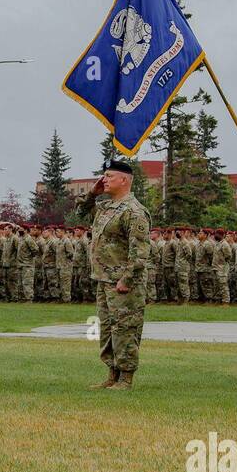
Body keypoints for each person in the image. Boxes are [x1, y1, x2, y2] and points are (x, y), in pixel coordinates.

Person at [78, 161, 150, 390]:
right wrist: (92, 193)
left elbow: (139, 253)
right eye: (103, 176)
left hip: (123, 282)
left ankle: (126, 378)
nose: (104, 179)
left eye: (109, 176)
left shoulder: (134, 211)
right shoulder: (105, 207)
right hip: (104, 279)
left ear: (124, 180)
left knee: (125, 328)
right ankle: (112, 375)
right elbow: (80, 212)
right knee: (108, 329)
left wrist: (126, 280)